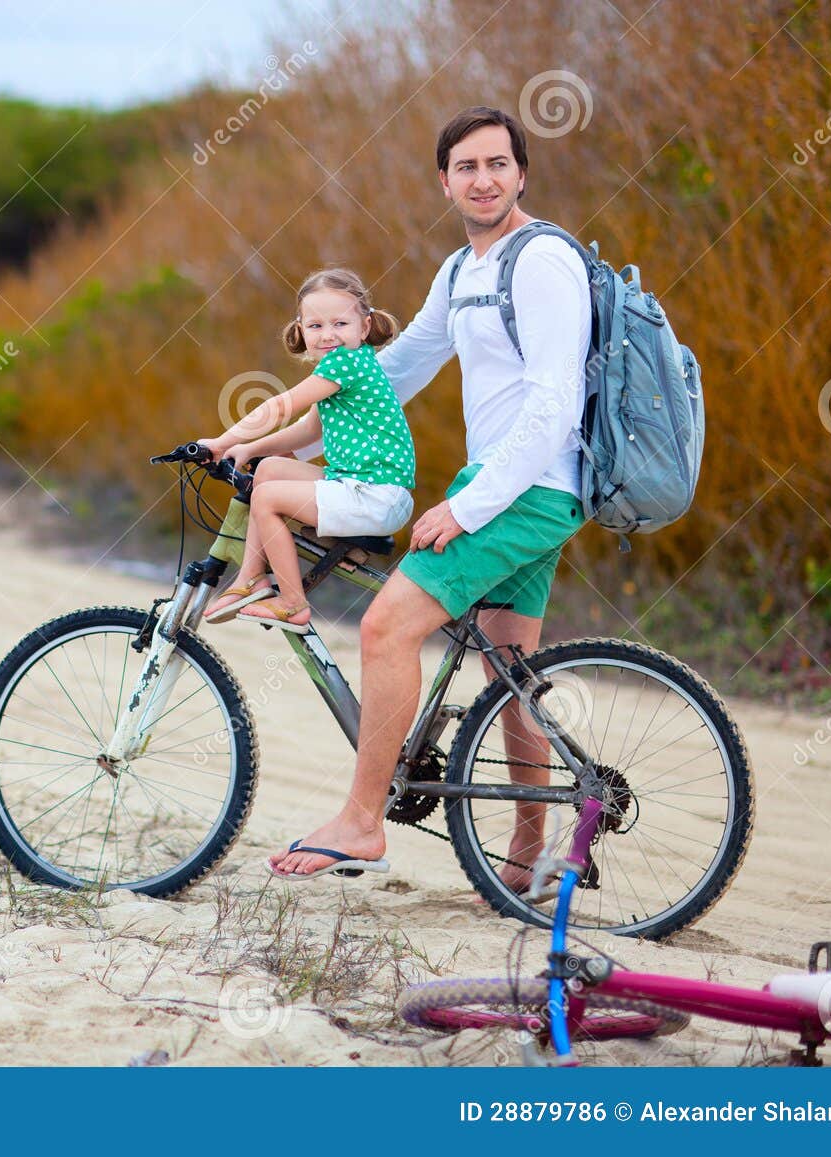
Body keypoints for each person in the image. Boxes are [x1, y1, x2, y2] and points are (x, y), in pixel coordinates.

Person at [267, 106, 591, 886]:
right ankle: (522, 857)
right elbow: (392, 375)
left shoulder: (542, 261)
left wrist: (469, 506)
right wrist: (272, 448)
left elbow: (553, 403)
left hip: (526, 487)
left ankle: (361, 823)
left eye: (498, 164)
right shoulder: (462, 271)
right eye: (467, 167)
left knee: (385, 628)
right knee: (509, 668)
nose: (484, 179)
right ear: (445, 182)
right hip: (514, 485)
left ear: (521, 173)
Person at [197, 269, 415, 635]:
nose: (328, 334)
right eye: (315, 326)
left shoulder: (347, 363)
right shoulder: (346, 368)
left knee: (265, 498)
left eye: (340, 323)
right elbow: (307, 430)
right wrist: (247, 448)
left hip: (376, 495)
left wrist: (220, 442)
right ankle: (252, 577)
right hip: (362, 488)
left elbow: (281, 407)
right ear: (300, 331)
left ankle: (293, 603)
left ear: (365, 327)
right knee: (267, 472)